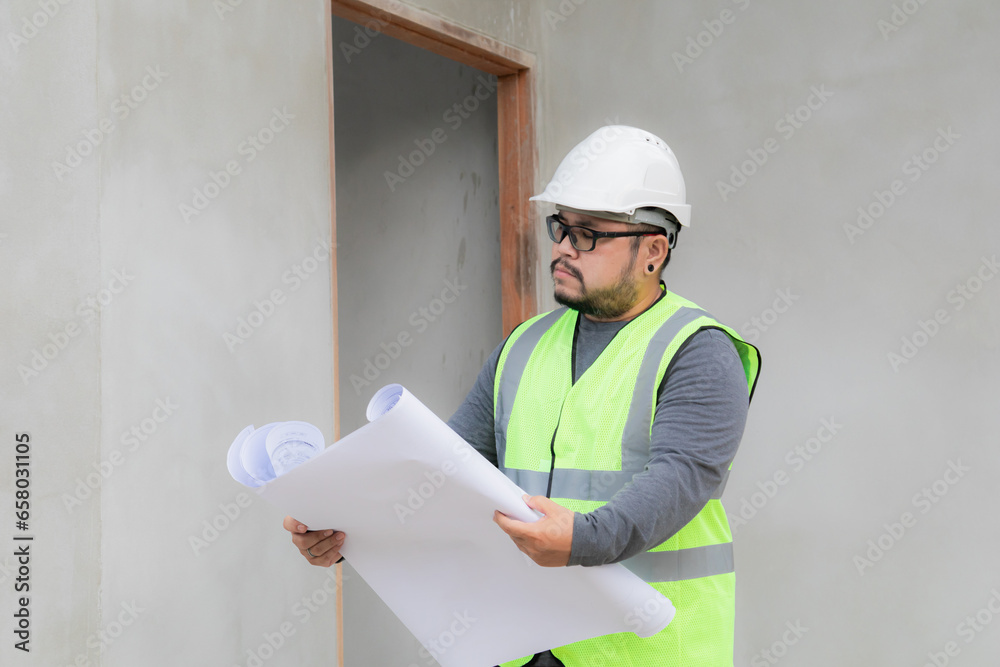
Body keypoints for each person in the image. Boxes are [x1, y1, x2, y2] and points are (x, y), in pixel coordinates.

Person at [284, 125, 761, 666]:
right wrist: (348, 529)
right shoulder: (523, 346)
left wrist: (581, 539)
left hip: (645, 653)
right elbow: (440, 475)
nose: (562, 248)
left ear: (653, 250)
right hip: (525, 646)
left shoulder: (698, 351)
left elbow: (679, 481)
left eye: (588, 234)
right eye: (560, 227)